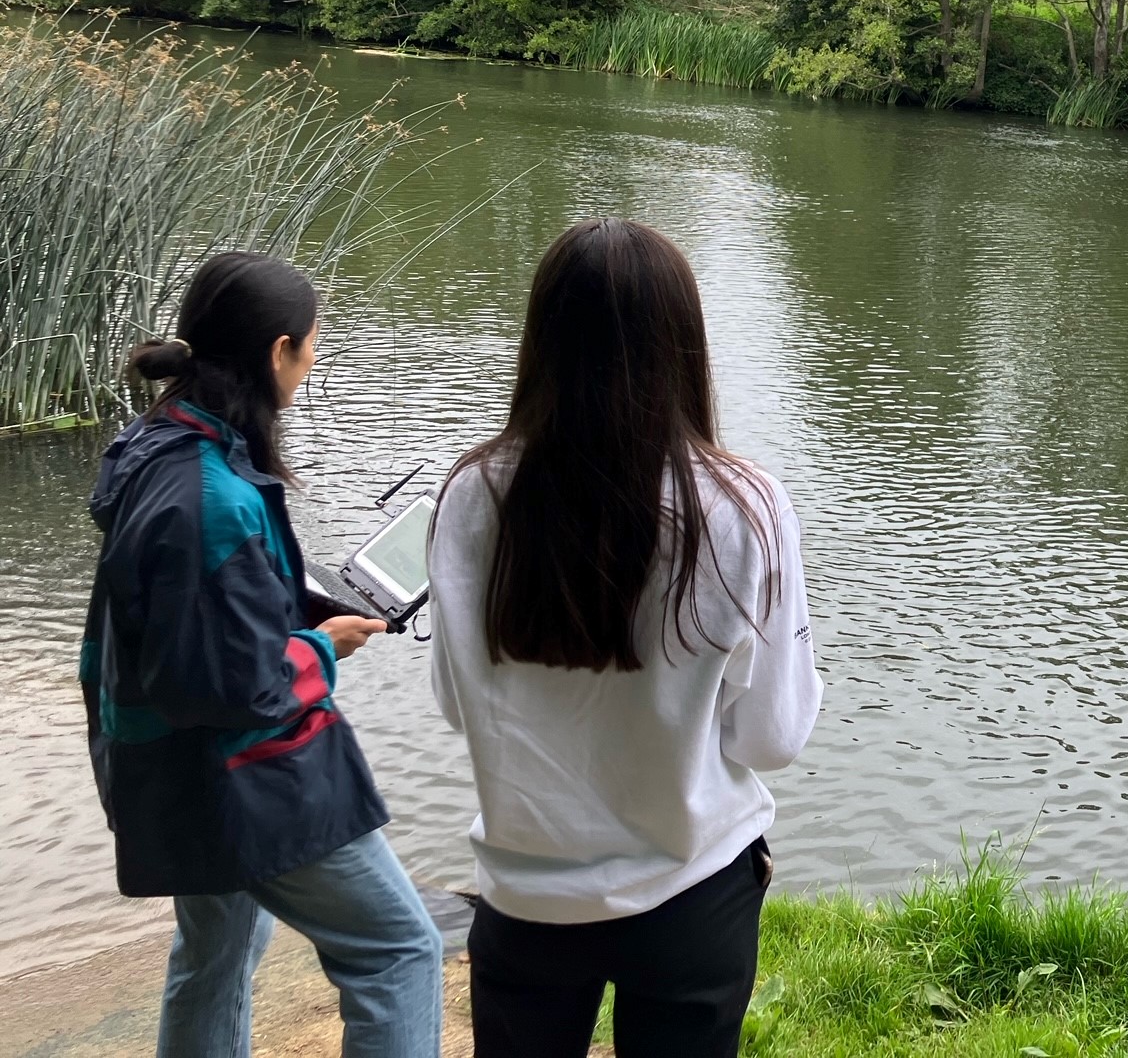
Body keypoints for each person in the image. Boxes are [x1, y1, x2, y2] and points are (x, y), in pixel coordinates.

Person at [429, 218, 821, 1058]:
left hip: (524, 899)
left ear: (541, 341)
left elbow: (456, 708)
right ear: (685, 345)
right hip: (693, 892)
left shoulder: (472, 494)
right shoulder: (747, 509)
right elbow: (773, 737)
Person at [81, 251, 443, 1058]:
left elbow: (188, 620)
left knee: (216, 953)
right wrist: (324, 641)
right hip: (242, 775)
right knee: (398, 951)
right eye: (312, 348)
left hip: (165, 766)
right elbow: (233, 686)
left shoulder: (156, 444)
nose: (312, 367)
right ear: (278, 352)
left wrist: (286, 596)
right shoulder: (212, 497)